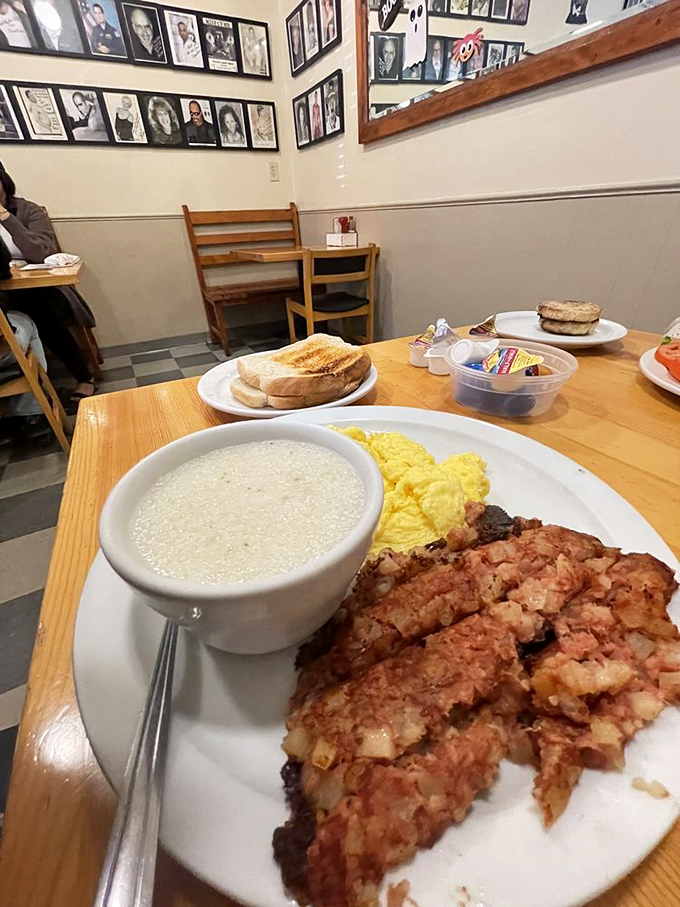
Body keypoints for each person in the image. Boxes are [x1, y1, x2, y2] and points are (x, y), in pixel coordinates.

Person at [0, 166, 96, 408]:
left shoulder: (28, 210)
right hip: (3, 292)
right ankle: (27, 395)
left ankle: (82, 378)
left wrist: (7, 219)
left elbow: (41, 252)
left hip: (40, 288)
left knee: (36, 304)